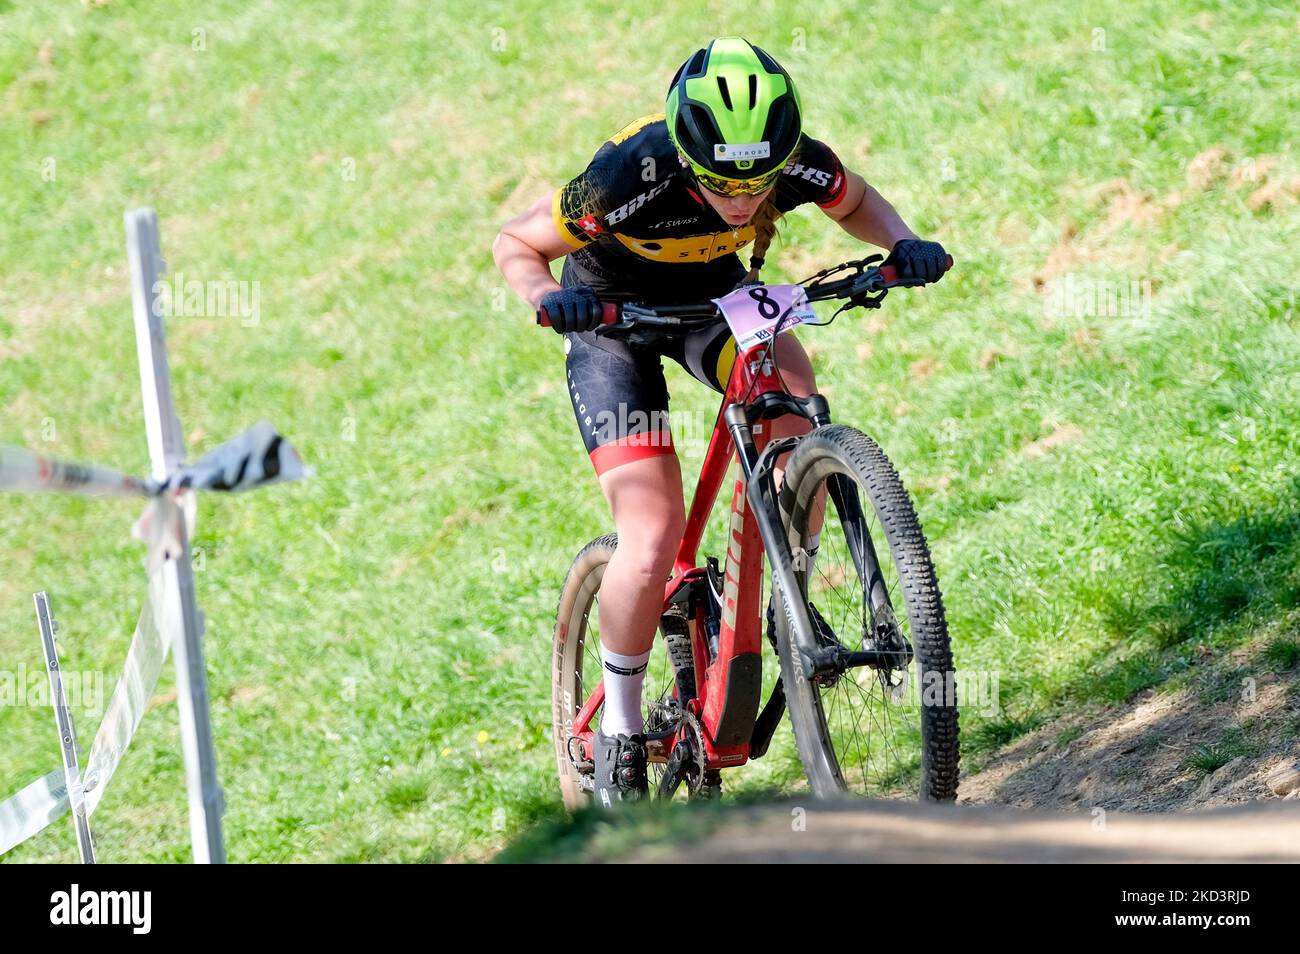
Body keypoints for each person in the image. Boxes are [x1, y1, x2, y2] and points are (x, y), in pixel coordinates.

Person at [492, 36, 949, 806]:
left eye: (757, 184)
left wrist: (903, 243)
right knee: (652, 533)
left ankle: (786, 602)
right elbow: (515, 242)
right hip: (609, 321)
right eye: (719, 184)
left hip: (714, 302)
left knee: (793, 400)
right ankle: (621, 727)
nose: (741, 201)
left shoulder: (795, 158)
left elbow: (856, 202)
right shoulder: (626, 174)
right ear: (684, 156)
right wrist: (547, 299)